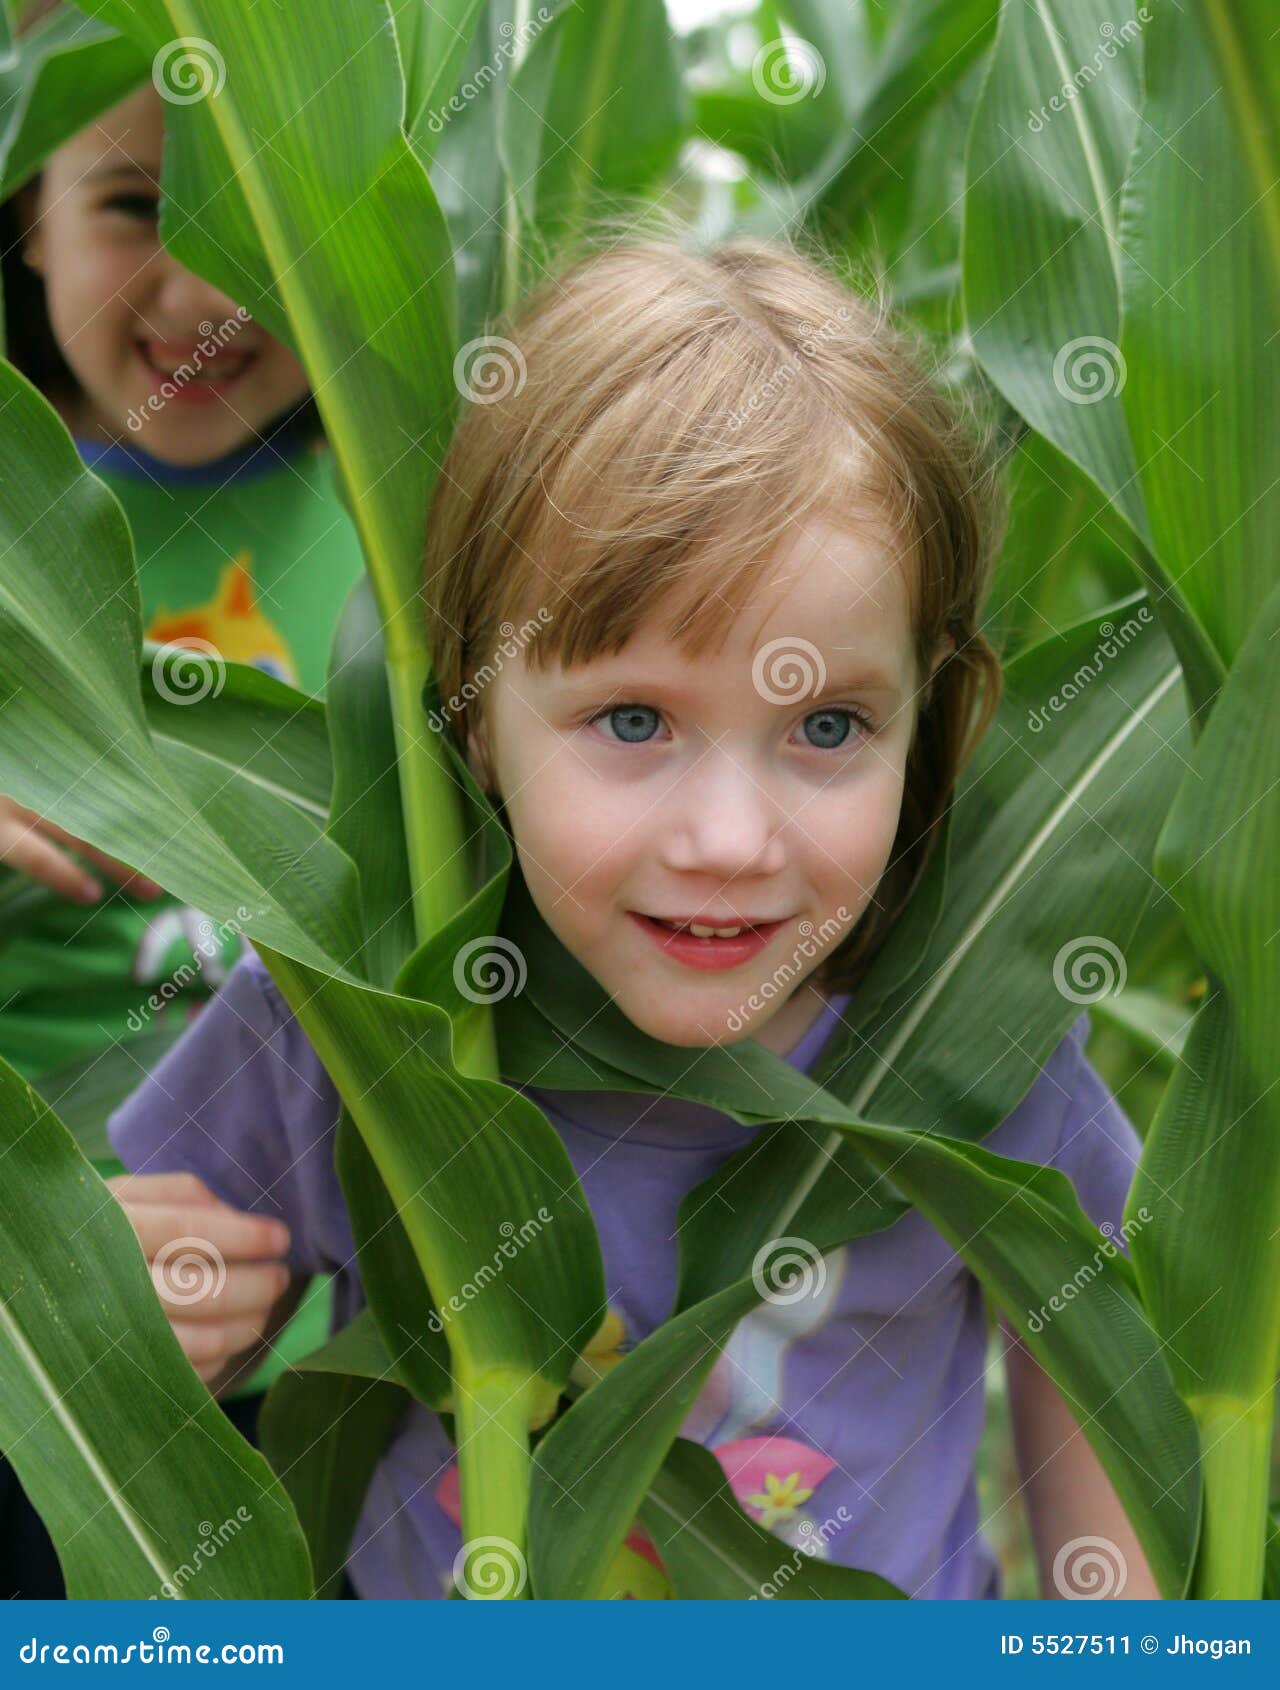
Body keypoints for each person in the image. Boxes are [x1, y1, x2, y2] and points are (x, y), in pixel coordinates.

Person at [106, 232, 1158, 1600]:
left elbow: (1100, 1383)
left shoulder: (985, 1037)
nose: (729, 841)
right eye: (634, 719)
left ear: (940, 722)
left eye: (828, 724)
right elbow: (126, 1299)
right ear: (478, 719)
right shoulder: (349, 1017)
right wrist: (149, 1307)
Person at [0, 4, 363, 1595]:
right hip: (37, 1354)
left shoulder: (416, 517)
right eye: (140, 204)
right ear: (26, 203)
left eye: (266, 216)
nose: (208, 296)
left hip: (353, 1359)